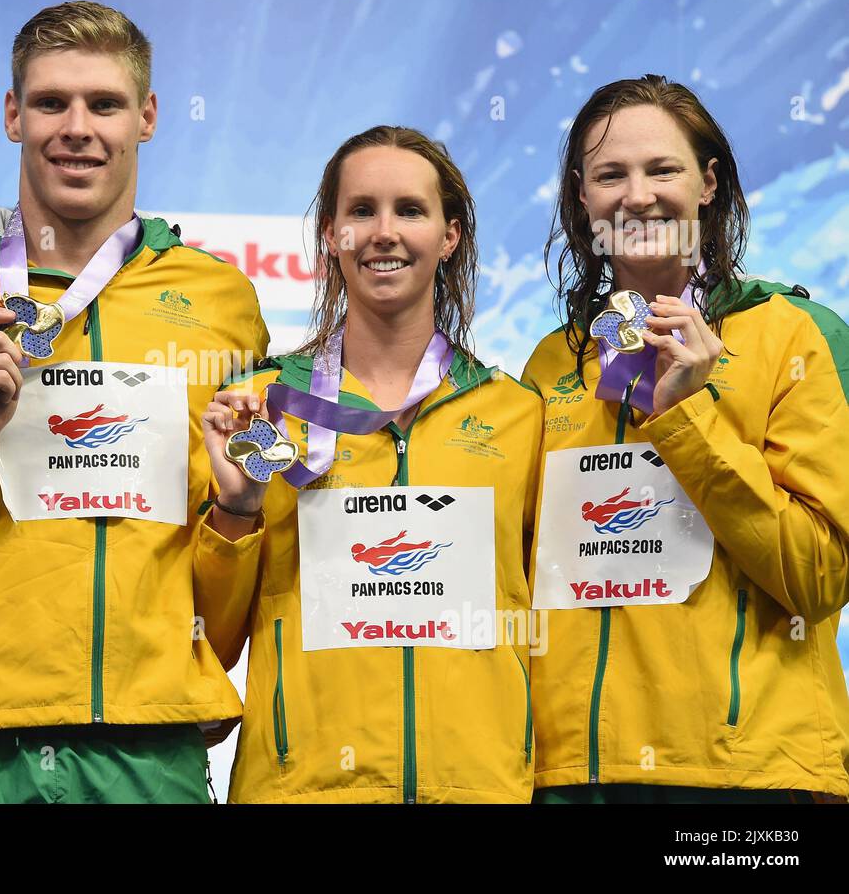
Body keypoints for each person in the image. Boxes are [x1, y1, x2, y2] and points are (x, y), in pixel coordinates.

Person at [0, 1, 268, 803]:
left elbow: (221, 605)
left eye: (105, 104)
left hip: (152, 743)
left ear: (147, 117)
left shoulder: (222, 301)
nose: (76, 127)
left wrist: (238, 516)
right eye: (51, 102)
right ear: (13, 115)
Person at [524, 74, 849, 802]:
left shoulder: (799, 335)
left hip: (749, 778)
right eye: (610, 174)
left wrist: (686, 416)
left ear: (708, 183)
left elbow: (819, 577)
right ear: (583, 198)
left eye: (661, 168)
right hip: (577, 776)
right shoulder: (551, 364)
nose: (637, 195)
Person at [194, 125, 543, 803]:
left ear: (450, 236)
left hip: (481, 790)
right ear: (331, 235)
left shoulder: (519, 415)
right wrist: (234, 511)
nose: (384, 231)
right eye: (361, 211)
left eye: (409, 210)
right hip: (304, 790)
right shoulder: (260, 410)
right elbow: (210, 642)